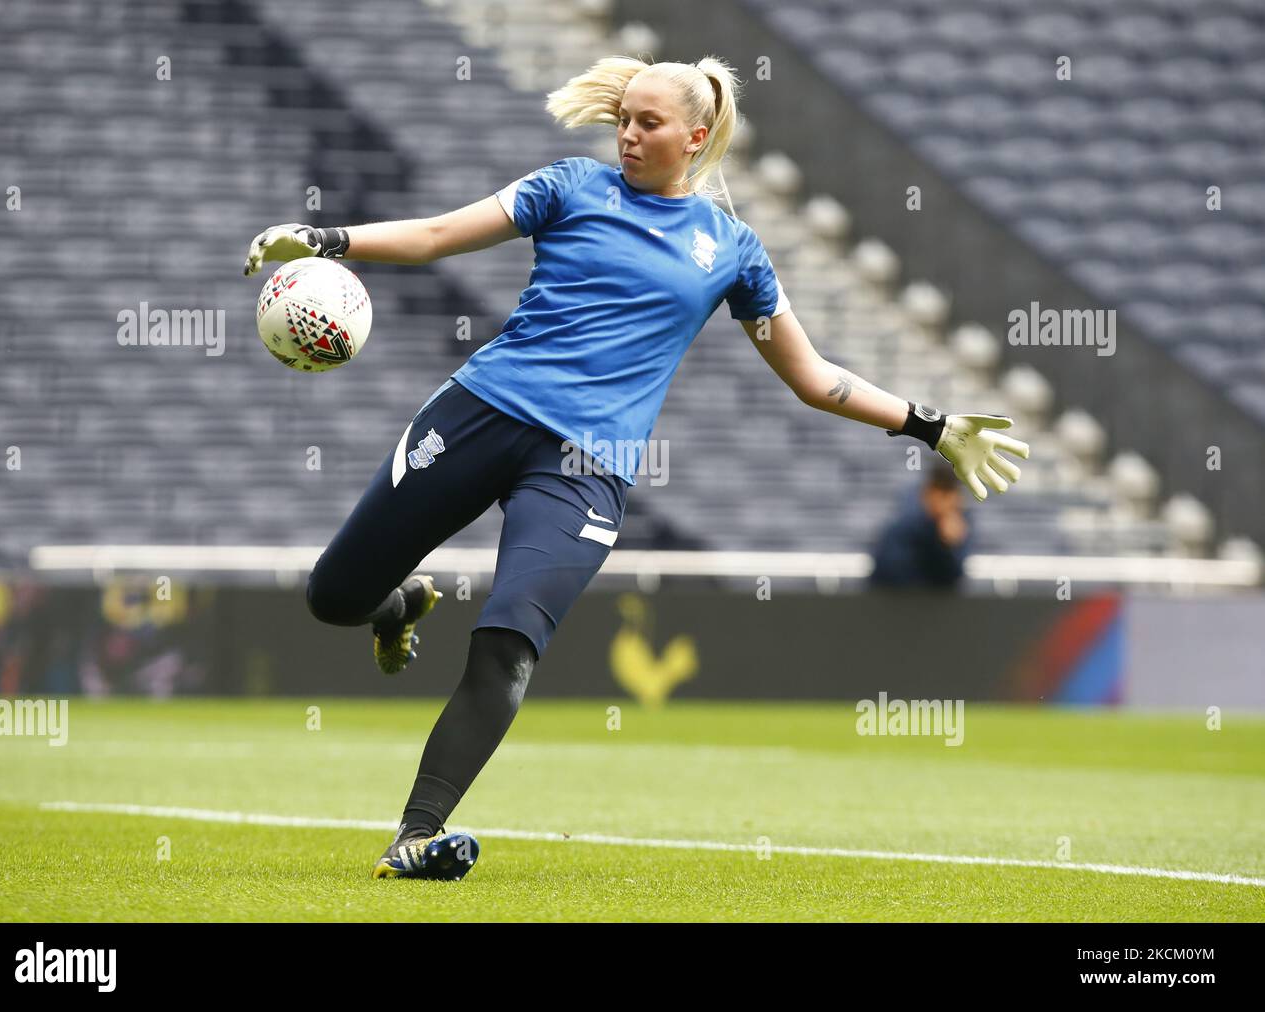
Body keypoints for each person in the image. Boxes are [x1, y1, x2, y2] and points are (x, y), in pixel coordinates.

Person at [242, 55, 1030, 881]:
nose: (627, 135)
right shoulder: (569, 186)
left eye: (647, 123)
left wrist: (930, 425)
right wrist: (330, 239)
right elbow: (439, 234)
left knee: (506, 645)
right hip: (479, 413)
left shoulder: (733, 252)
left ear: (695, 137)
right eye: (622, 118)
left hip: (585, 467)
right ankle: (396, 604)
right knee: (333, 597)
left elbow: (814, 379)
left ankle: (414, 834)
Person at [869, 465, 972, 590]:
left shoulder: (962, 524)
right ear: (928, 493)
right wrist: (932, 528)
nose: (943, 503)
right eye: (940, 493)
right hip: (899, 599)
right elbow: (887, 566)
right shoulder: (908, 516)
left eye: (947, 494)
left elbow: (955, 575)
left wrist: (948, 546)